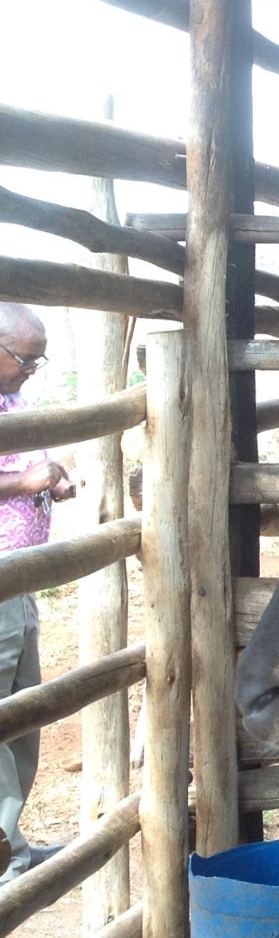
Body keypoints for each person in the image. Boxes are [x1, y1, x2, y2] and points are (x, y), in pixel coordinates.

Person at [0, 304, 75, 883]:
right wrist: (27, 482)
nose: (32, 369)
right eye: (26, 358)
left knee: (21, 714)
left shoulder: (14, 404)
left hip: (21, 581)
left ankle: (12, 844)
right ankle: (9, 854)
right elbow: (17, 476)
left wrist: (52, 482)